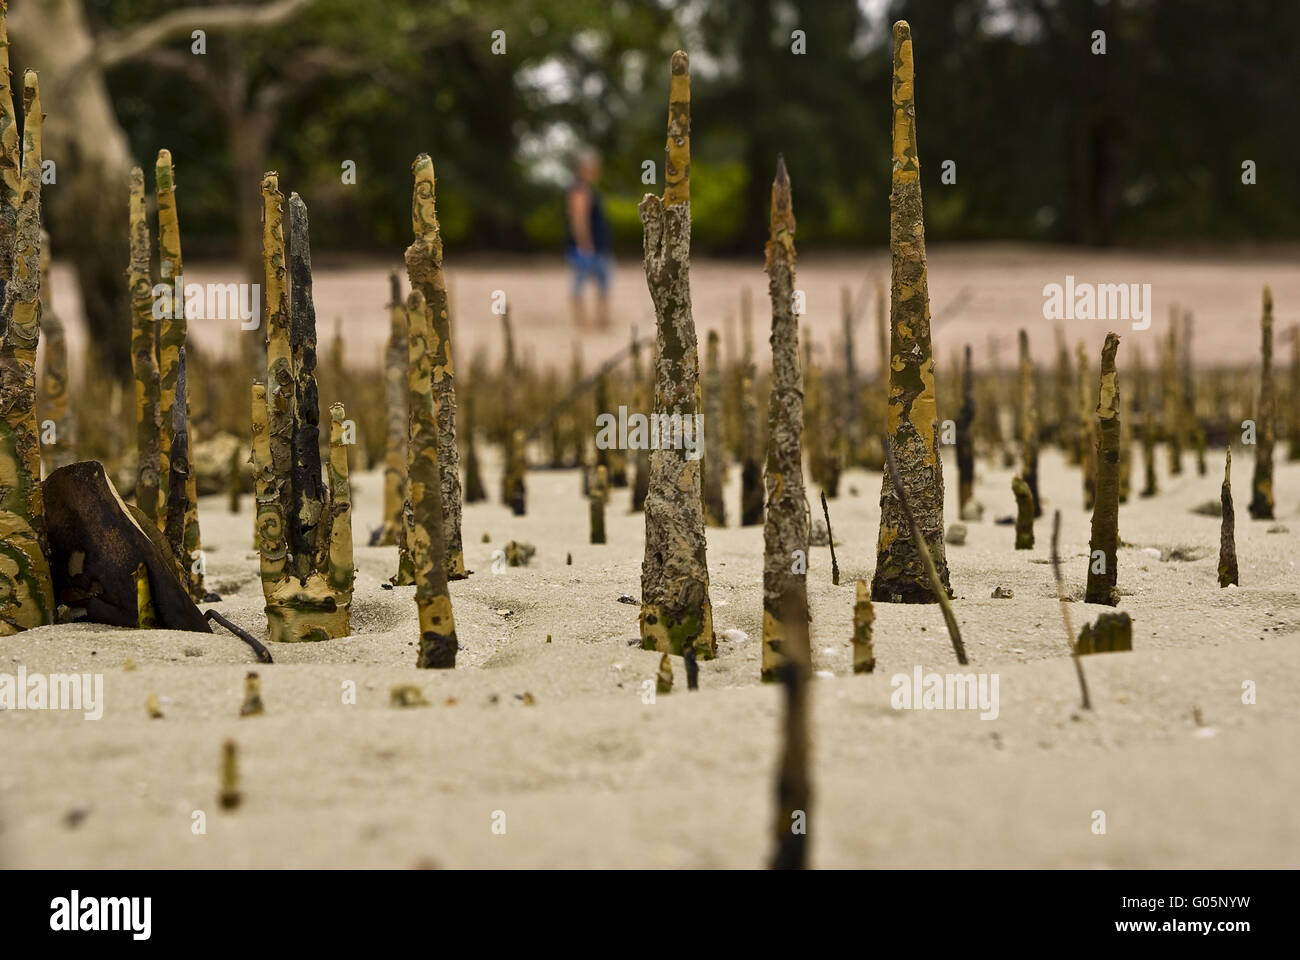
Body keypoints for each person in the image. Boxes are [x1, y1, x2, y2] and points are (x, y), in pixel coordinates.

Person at [564, 148, 612, 330]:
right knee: (582, 284)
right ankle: (583, 323)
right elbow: (578, 220)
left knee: (602, 284)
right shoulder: (579, 190)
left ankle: (600, 321)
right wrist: (585, 245)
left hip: (596, 247)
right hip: (589, 248)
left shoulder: (586, 189)